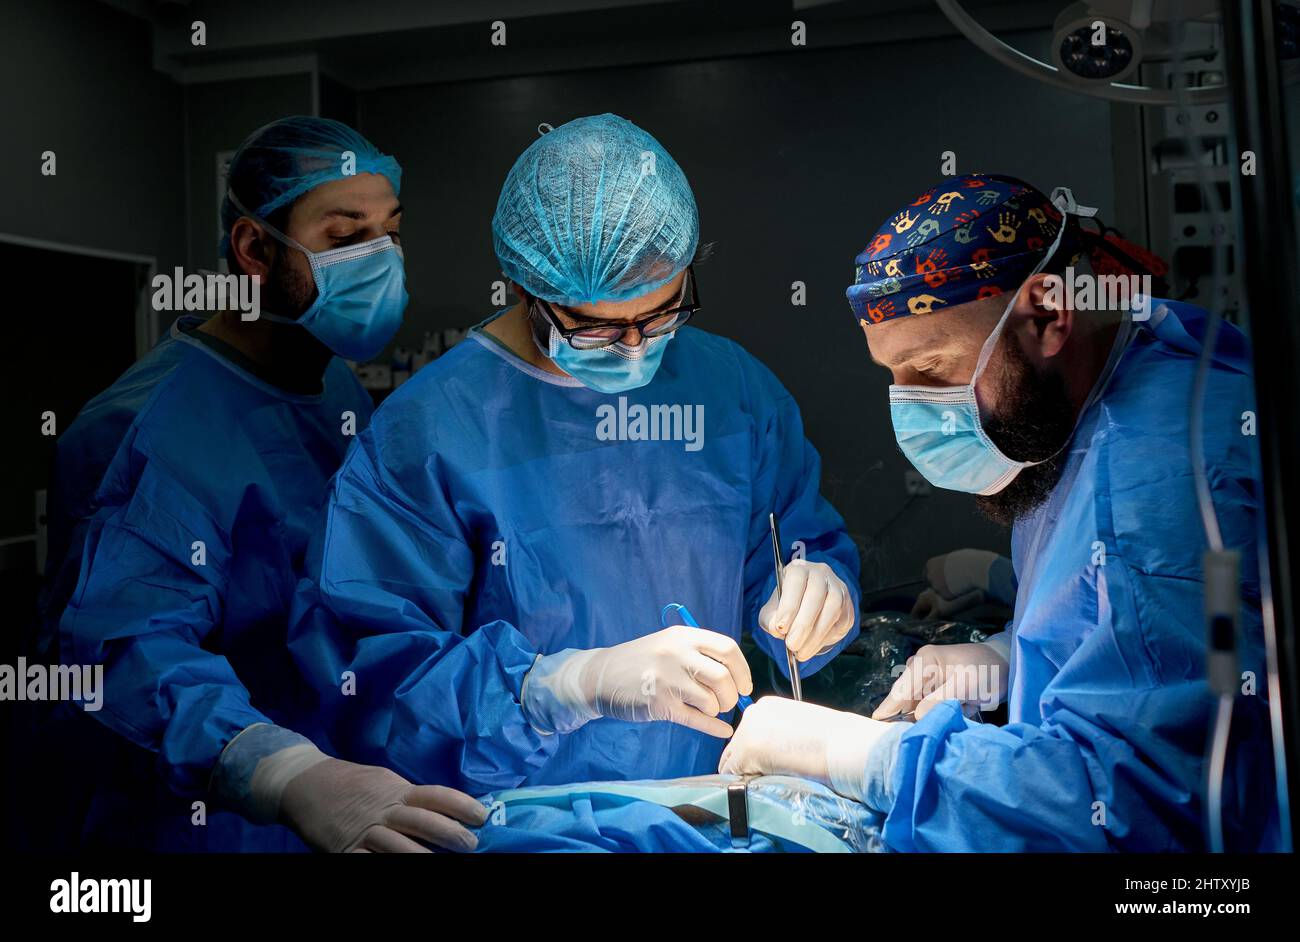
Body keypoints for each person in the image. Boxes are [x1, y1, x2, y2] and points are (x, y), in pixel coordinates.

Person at [289, 113, 861, 793]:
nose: (636, 347)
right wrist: (563, 686)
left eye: (662, 312)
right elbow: (374, 674)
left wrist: (814, 589)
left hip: (704, 800)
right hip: (516, 820)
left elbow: (792, 539)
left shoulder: (733, 391)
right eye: (597, 326)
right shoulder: (429, 429)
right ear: (530, 288)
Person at [719, 173, 1277, 851]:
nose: (911, 409)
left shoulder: (1159, 481)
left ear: (1048, 317)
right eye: (892, 377)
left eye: (930, 370)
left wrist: (866, 757)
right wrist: (1013, 654)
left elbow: (1136, 814)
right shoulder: (1119, 378)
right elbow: (1149, 633)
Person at [42, 116, 485, 852]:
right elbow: (122, 648)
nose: (381, 261)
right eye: (346, 239)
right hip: (191, 812)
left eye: (390, 233)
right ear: (254, 249)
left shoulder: (335, 387)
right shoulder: (145, 430)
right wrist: (280, 772)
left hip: (338, 782)